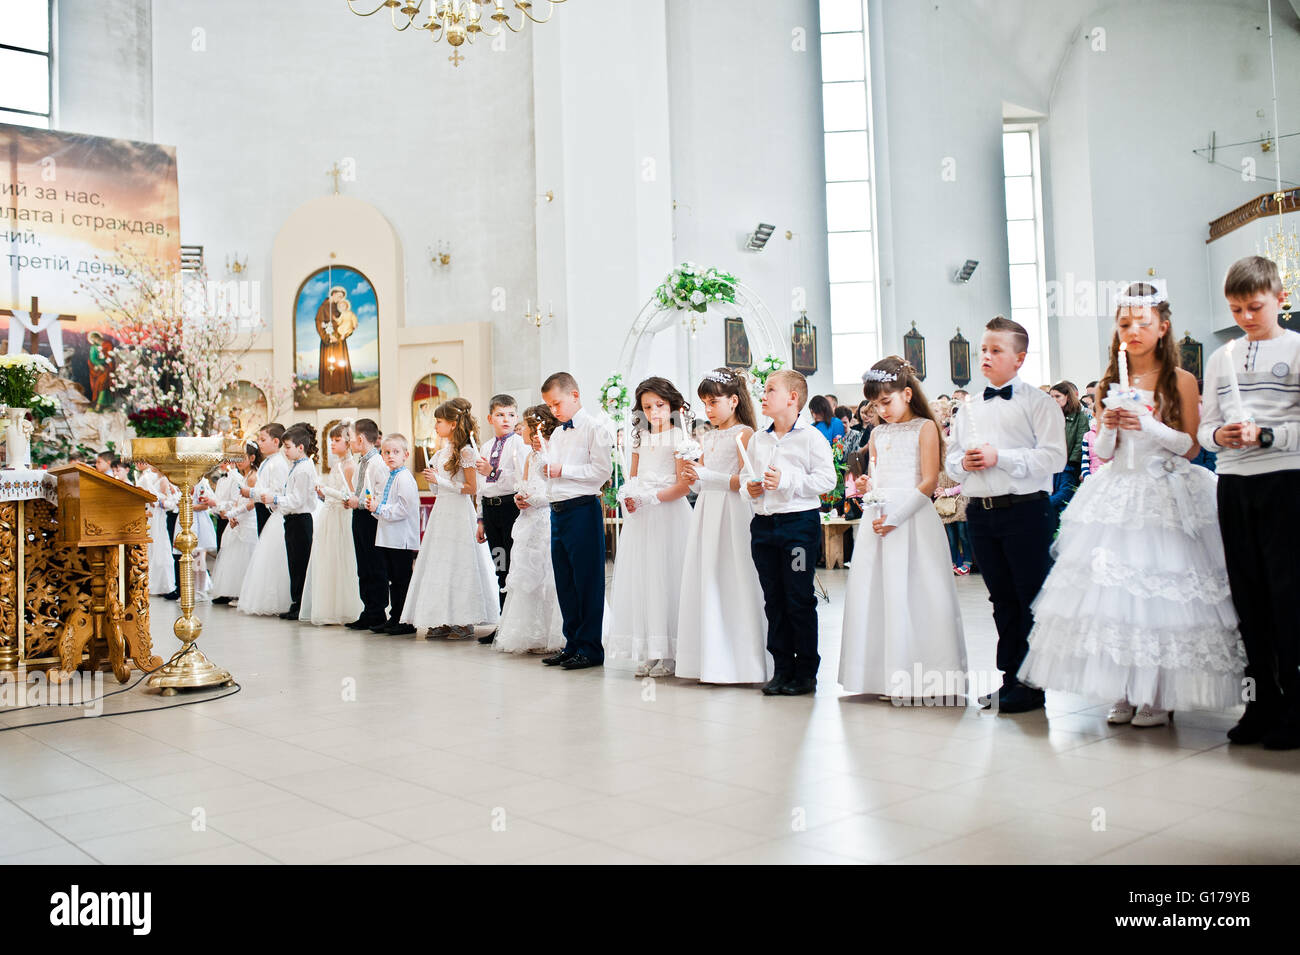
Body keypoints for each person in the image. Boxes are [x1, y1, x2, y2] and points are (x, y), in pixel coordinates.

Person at [1022, 282, 1246, 727]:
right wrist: (1107, 423)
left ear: (1162, 328)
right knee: (1115, 596)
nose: (1133, 332)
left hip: (1166, 489)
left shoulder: (1179, 380)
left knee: (1162, 593)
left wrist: (1149, 423)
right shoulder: (1111, 380)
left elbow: (1188, 446)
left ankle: (1159, 693)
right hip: (1119, 489)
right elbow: (1105, 449)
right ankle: (1125, 688)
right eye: (1125, 324)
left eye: (1143, 324)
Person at [1198, 255, 1300, 748]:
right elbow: (1203, 426)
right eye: (1236, 309)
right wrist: (1221, 433)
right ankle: (1260, 704)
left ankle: (1296, 708)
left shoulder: (1297, 349)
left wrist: (1268, 436)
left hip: (1284, 481)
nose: (1245, 318)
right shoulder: (1222, 358)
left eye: (1254, 307)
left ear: (1281, 299)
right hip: (1234, 483)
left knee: (1288, 596)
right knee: (1247, 594)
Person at [945, 316, 1066, 713]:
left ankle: (1033, 683)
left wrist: (1002, 457)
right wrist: (965, 462)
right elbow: (951, 461)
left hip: (1026, 510)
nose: (986, 356)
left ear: (1019, 358)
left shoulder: (1039, 402)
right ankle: (1010, 677)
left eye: (996, 350)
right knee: (1000, 600)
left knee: (1028, 598)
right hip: (982, 512)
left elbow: (1054, 457)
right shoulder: (970, 407)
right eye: (983, 349)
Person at [840, 357, 967, 700]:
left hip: (910, 518)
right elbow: (878, 475)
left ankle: (922, 675)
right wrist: (867, 484)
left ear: (907, 394)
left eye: (887, 402)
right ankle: (885, 674)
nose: (882, 411)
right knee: (880, 591)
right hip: (879, 517)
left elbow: (927, 482)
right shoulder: (878, 433)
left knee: (916, 592)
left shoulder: (926, 427)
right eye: (875, 405)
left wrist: (897, 516)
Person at [745, 370, 837, 696]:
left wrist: (787, 481)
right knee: (774, 599)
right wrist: (751, 487)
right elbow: (746, 479)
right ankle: (782, 668)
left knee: (798, 597)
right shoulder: (759, 438)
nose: (763, 395)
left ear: (792, 398)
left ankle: (806, 672)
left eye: (771, 390)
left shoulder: (810, 438)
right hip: (764, 527)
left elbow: (828, 480)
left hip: (798, 526)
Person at [675, 368, 770, 684]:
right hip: (707, 510)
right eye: (704, 404)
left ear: (733, 400)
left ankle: (741, 661)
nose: (709, 410)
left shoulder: (744, 433)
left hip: (733, 511)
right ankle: (711, 659)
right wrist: (695, 478)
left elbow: (745, 481)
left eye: (713, 403)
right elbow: (705, 481)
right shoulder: (709, 434)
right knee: (708, 577)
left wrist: (705, 476)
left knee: (732, 577)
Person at [606, 377, 694, 676]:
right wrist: (630, 498)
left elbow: (684, 486)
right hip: (642, 520)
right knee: (644, 580)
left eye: (659, 405)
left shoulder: (680, 440)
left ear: (671, 405)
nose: (654, 411)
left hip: (668, 515)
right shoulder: (639, 440)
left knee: (666, 578)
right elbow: (633, 478)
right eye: (647, 406)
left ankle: (670, 652)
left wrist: (651, 498)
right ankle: (649, 647)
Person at [403, 398, 500, 639]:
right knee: (440, 564)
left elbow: (470, 487)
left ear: (453, 424)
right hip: (442, 512)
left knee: (459, 563)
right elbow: (438, 491)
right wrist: (433, 479)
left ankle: (463, 619)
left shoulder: (466, 450)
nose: (435, 426)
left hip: (459, 512)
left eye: (439, 421)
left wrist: (441, 481)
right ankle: (442, 618)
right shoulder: (441, 452)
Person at [539, 372, 614, 671]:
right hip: (558, 509)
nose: (554, 410)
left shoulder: (596, 429)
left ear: (575, 395)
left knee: (587, 581)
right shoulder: (557, 434)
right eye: (549, 405)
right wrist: (545, 471)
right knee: (565, 581)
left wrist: (562, 470)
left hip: (583, 509)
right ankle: (572, 644)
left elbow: (601, 472)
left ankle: (591, 648)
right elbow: (553, 471)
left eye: (557, 403)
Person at [496, 405, 566, 655]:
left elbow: (557, 489)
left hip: (547, 519)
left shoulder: (553, 451)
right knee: (528, 577)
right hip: (528, 521)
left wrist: (536, 500)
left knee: (549, 576)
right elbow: (525, 485)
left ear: (537, 429)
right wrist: (520, 497)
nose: (520, 429)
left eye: (523, 426)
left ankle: (553, 633)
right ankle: (533, 632)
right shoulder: (529, 456)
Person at [300, 421, 364, 626]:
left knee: (341, 560)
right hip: (330, 515)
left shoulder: (350, 466)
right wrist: (324, 492)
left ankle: (345, 607)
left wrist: (326, 490)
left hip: (341, 518)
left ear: (348, 441)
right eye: (331, 441)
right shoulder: (337, 465)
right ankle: (330, 607)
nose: (333, 445)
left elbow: (351, 496)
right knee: (328, 561)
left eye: (337, 440)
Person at [475, 394, 525, 644]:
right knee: (500, 566)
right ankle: (502, 622)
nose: (506, 419)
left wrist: (493, 470)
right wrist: (481, 519)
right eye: (500, 415)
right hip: (491, 511)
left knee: (514, 566)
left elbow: (520, 480)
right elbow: (481, 486)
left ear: (516, 417)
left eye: (511, 415)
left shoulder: (520, 445)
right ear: (490, 418)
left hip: (511, 509)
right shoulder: (485, 447)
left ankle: (515, 623)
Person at [367, 434, 420, 635]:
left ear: (405, 454)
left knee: (401, 579)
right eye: (387, 452)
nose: (390, 456)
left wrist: (379, 508)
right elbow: (384, 503)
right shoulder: (391, 475)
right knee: (392, 579)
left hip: (401, 538)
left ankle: (406, 620)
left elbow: (403, 509)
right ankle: (395, 615)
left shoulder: (405, 478)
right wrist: (374, 506)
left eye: (395, 452)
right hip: (389, 536)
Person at [343, 418, 389, 630]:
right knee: (363, 565)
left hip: (371, 518)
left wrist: (358, 501)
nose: (349, 442)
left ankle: (377, 610)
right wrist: (352, 499)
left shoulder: (378, 464)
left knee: (373, 564)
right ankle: (368, 608)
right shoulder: (363, 462)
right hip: (359, 516)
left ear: (361, 439)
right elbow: (361, 490)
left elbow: (380, 496)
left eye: (350, 438)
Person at [271, 423, 318, 621]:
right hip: (292, 519)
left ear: (301, 447)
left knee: (301, 563)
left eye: (288, 447)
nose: (285, 451)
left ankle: (301, 604)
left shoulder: (304, 469)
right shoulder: (296, 467)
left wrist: (274, 500)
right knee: (294, 562)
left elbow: (297, 500)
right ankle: (296, 602)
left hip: (301, 519)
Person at [210, 443, 261, 605]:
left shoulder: (253, 477)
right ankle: (235, 592)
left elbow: (253, 502)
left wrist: (233, 513)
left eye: (243, 458)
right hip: (239, 518)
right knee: (234, 555)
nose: (239, 461)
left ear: (252, 458)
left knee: (246, 555)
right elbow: (238, 499)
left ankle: (244, 594)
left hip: (248, 519)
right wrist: (233, 514)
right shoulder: (243, 476)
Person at [1048, 380, 1088, 516]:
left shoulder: (1079, 416)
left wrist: (1071, 462)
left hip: (1069, 464)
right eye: (1051, 397)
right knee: (1054, 493)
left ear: (1068, 397)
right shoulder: (1050, 417)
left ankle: (1044, 508)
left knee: (1064, 494)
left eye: (1057, 396)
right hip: (1052, 464)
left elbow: (1080, 440)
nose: (1053, 400)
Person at [315, 285, 354, 396]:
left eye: (342, 297)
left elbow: (347, 321)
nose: (340, 299)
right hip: (328, 340)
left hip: (339, 339)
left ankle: (343, 388)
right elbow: (319, 323)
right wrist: (327, 337)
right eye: (339, 296)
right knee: (329, 364)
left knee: (341, 362)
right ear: (333, 294)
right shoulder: (323, 308)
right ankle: (328, 388)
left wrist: (346, 332)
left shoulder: (340, 308)